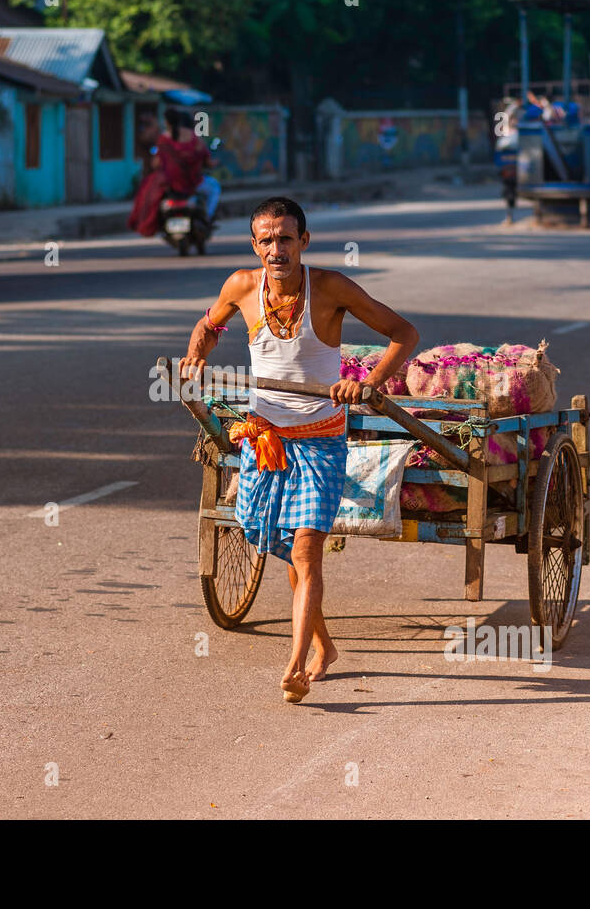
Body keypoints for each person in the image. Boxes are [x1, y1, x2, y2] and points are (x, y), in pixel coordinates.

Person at [179, 197, 418, 703]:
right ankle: (325, 648)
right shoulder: (241, 285)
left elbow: (404, 334)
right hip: (265, 437)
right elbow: (210, 325)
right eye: (265, 240)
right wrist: (196, 353)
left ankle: (295, 668)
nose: (276, 249)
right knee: (279, 544)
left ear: (303, 242)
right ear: (254, 245)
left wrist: (368, 383)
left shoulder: (331, 288)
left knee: (307, 552)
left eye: (285, 238)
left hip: (321, 439)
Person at [158, 108, 220, 225]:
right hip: (193, 184)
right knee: (214, 188)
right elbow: (207, 161)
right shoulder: (194, 139)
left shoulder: (164, 139)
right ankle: (207, 216)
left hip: (170, 185)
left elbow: (156, 162)